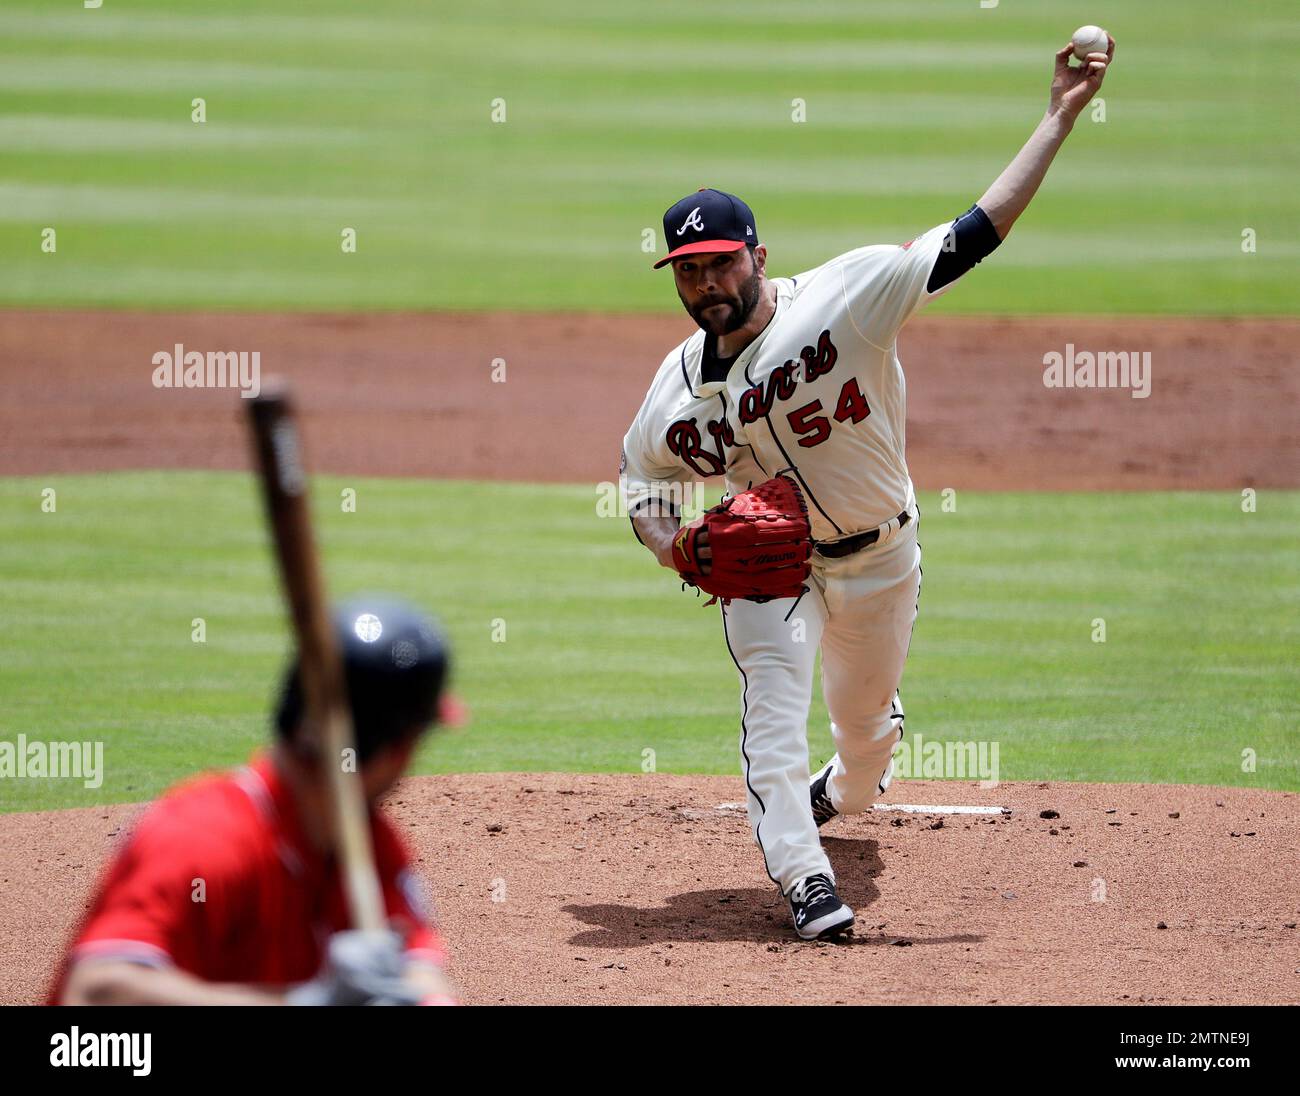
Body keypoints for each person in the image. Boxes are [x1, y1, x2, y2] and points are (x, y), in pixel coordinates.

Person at [620, 38, 1114, 939]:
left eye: (721, 263)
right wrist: (674, 547)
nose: (706, 284)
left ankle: (845, 790)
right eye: (689, 270)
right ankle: (805, 881)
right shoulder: (674, 391)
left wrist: (1059, 116)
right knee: (772, 716)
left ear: (759, 255)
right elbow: (637, 479)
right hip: (775, 575)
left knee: (864, 740)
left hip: (882, 556)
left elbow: (977, 230)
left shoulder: (848, 299)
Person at [51, 596, 458, 1005]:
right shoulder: (201, 837)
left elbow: (423, 972)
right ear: (397, 750)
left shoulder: (369, 848)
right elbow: (93, 995)